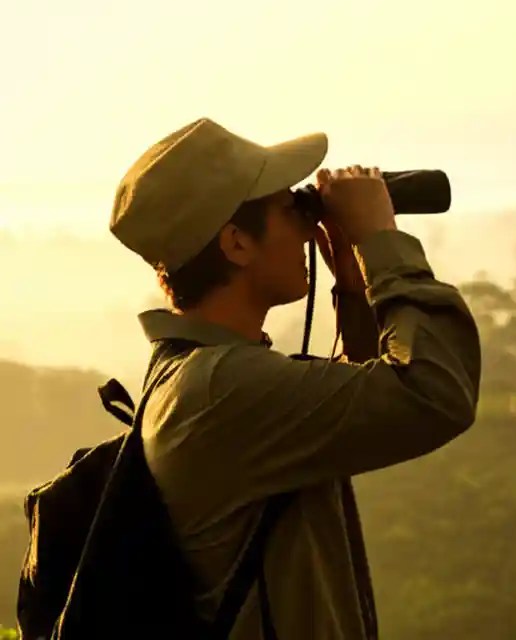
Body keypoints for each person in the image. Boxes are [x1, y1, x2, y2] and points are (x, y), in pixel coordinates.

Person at [107, 117, 482, 639]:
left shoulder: (198, 376)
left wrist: (354, 290)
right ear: (236, 243)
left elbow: (363, 408)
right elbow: (435, 392)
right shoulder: (223, 388)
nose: (310, 225)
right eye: (292, 208)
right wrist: (381, 242)